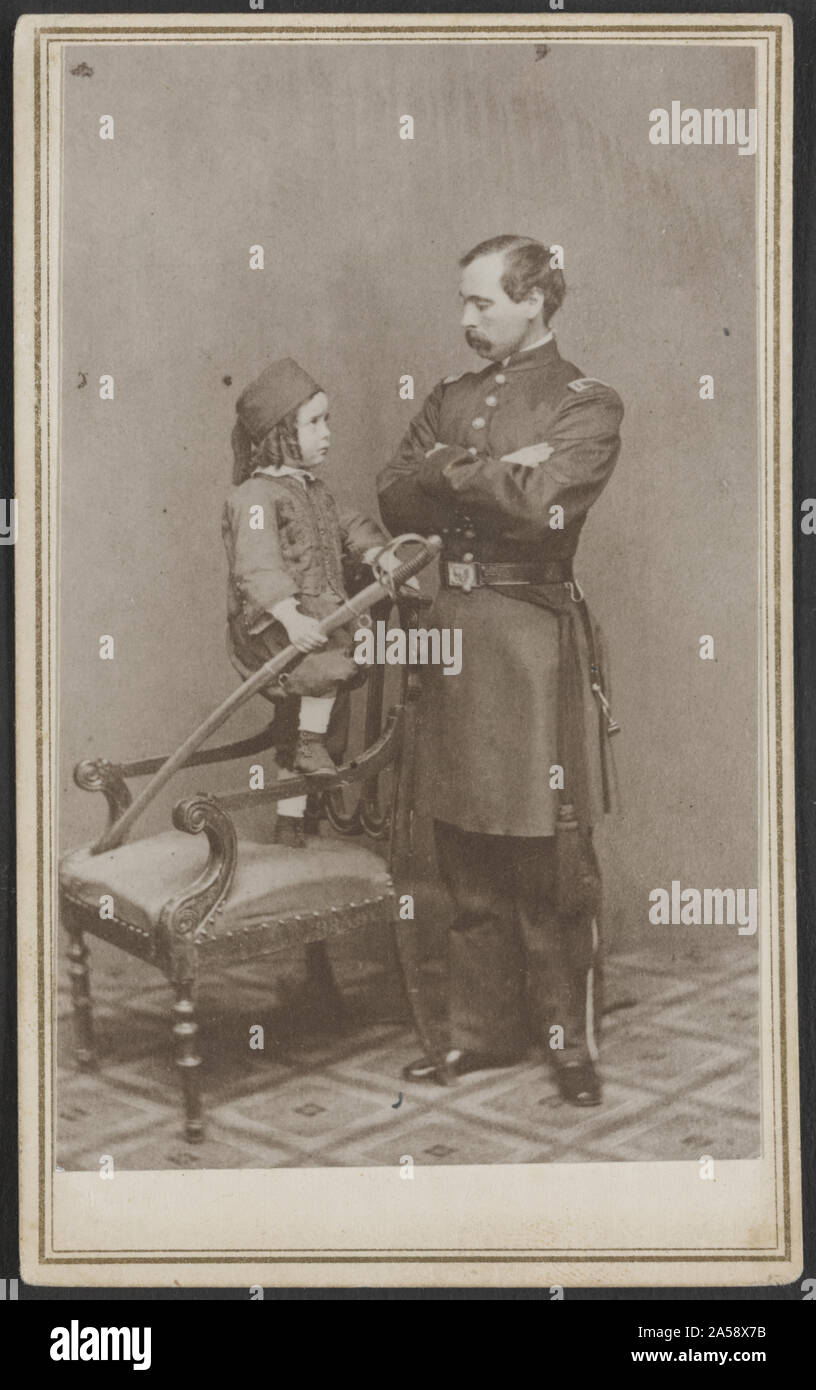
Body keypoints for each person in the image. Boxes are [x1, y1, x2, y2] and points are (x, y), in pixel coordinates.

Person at [377, 235, 623, 1105]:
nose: (465, 318)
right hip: (454, 640)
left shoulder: (586, 404)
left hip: (531, 646)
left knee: (547, 855)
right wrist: (476, 469)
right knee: (464, 848)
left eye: (480, 302)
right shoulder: (448, 398)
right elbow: (394, 494)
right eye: (464, 302)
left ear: (534, 301)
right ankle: (479, 1035)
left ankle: (567, 1043)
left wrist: (464, 475)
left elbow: (543, 508)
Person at [223, 357, 395, 847]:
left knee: (311, 709)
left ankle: (291, 821)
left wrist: (377, 551)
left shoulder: (315, 492)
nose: (327, 433)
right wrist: (288, 615)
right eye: (314, 422)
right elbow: (255, 564)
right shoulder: (256, 497)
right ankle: (310, 744)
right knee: (325, 673)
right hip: (275, 628)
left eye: (328, 420)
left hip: (318, 616)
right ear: (280, 432)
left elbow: (349, 525)